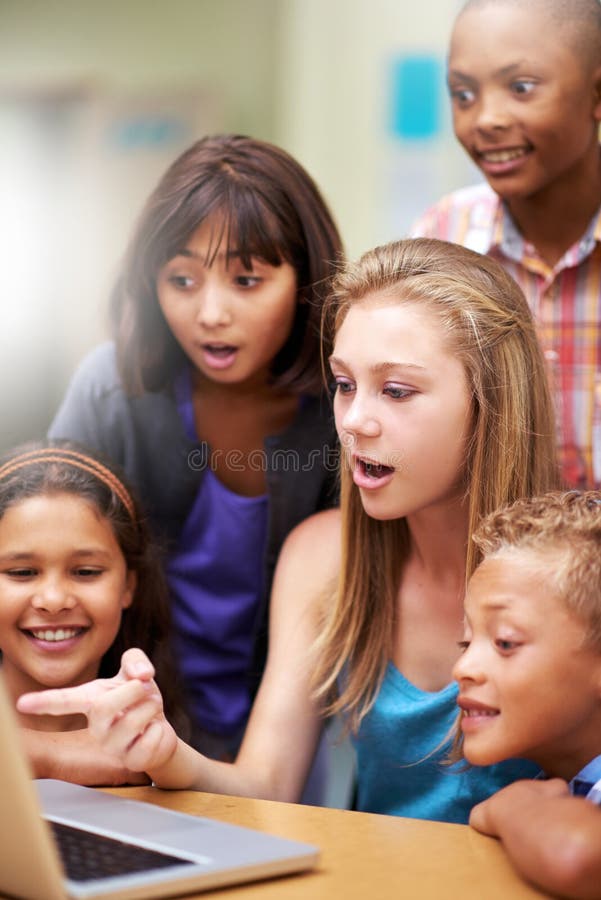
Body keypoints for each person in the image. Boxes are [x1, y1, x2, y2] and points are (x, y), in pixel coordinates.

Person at [20, 237, 559, 823]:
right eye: (345, 385)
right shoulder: (322, 556)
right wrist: (164, 752)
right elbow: (267, 785)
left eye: (396, 391)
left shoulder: (576, 570)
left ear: (491, 402)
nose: (354, 421)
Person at [45, 134, 343, 790]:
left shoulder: (344, 411)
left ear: (306, 283)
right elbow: (41, 557)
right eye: (181, 280)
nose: (210, 314)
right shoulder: (112, 389)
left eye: (246, 280)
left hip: (280, 737)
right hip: (119, 733)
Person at [411, 0, 601, 491]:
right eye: (463, 94)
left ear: (596, 93)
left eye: (521, 88)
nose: (486, 119)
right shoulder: (442, 235)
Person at [0, 440, 187, 783]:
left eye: (86, 572)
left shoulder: (153, 739)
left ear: (128, 585)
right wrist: (55, 755)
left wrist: (165, 760)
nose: (53, 600)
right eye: (22, 572)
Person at [452, 490, 601, 899]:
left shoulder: (537, 799)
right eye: (466, 642)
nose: (462, 668)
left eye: (505, 642)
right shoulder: (563, 786)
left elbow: (577, 857)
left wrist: (516, 805)